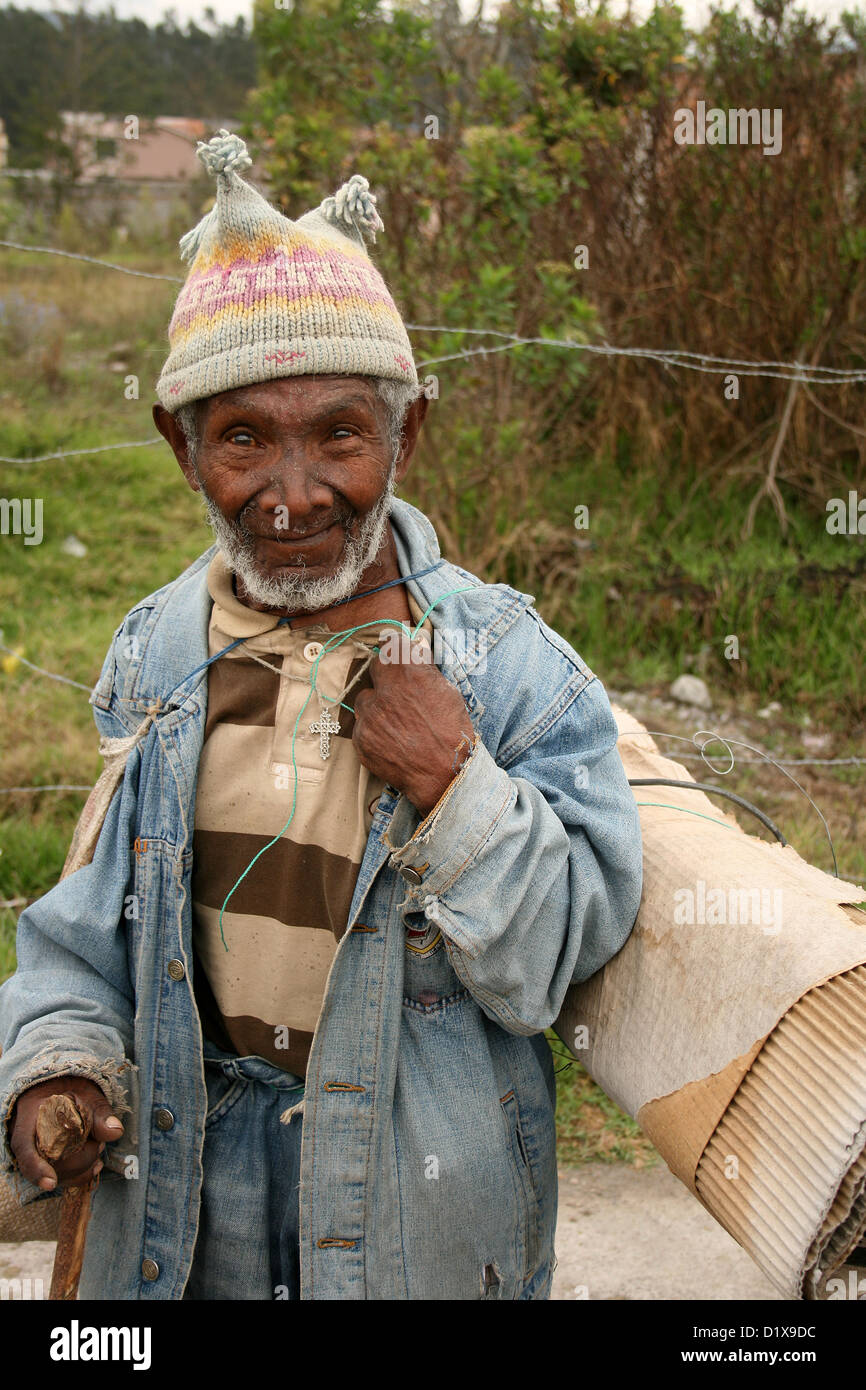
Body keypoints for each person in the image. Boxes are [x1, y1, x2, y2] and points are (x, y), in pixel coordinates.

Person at [0, 131, 642, 1300]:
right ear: (181, 448)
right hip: (186, 1197)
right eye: (243, 437)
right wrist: (60, 1068)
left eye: (339, 435)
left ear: (407, 436)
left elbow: (565, 961)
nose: (293, 495)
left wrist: (457, 782)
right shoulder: (160, 650)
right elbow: (86, 930)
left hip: (412, 1207)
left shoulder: (504, 667)